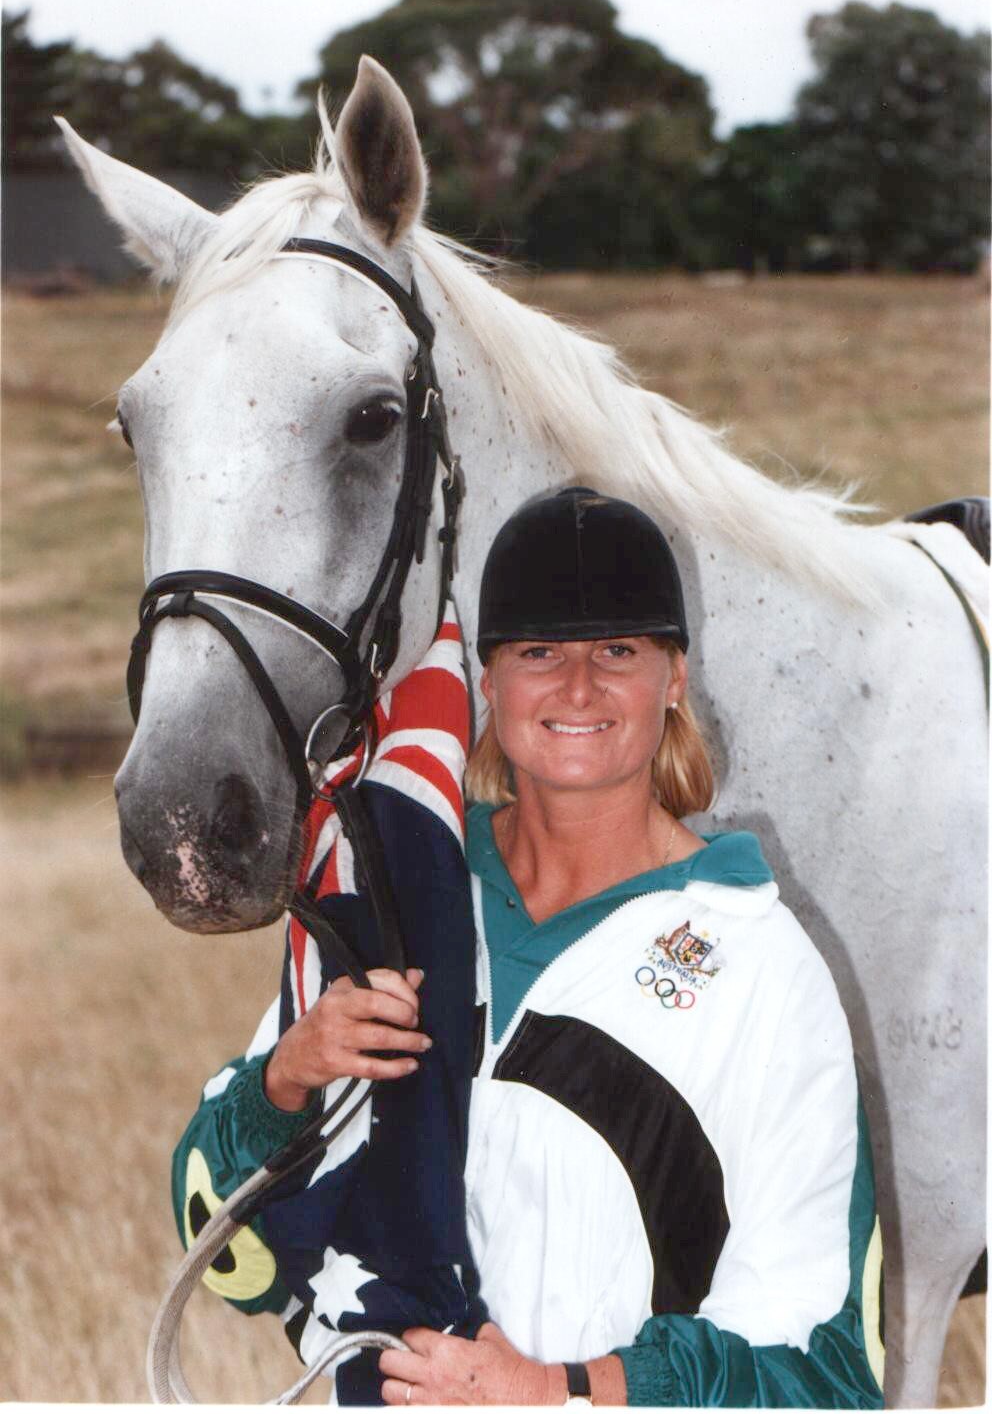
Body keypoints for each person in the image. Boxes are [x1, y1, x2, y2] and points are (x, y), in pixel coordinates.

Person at [175, 486, 885, 1408]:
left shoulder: (762, 967)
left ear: (674, 676)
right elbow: (231, 1264)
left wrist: (563, 1391)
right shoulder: (404, 899)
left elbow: (826, 1376)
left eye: (618, 651)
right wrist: (285, 1083)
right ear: (490, 681)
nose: (578, 687)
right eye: (540, 651)